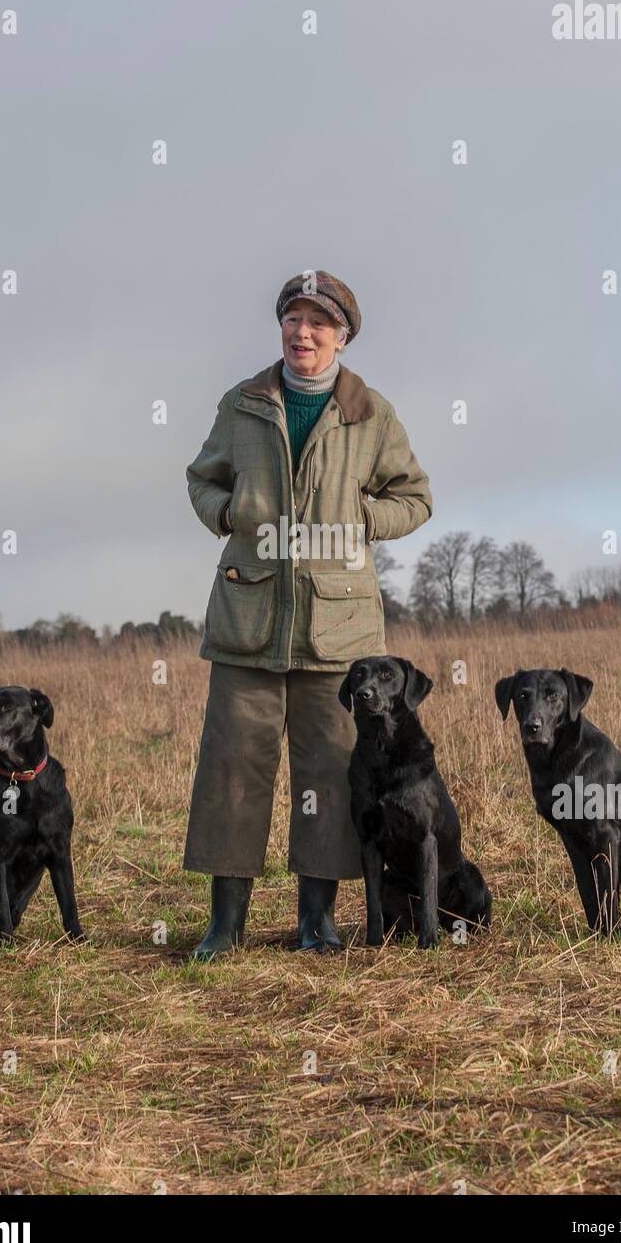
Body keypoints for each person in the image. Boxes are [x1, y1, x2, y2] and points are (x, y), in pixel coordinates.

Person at [183, 269, 432, 957]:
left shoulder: (370, 413)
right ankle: (224, 926)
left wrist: (361, 516)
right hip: (248, 625)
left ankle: (316, 923)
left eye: (319, 322)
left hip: (338, 635)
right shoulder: (243, 404)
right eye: (293, 318)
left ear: (342, 337)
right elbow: (201, 478)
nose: (303, 332)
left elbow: (416, 497)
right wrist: (226, 511)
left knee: (328, 773)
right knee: (233, 771)